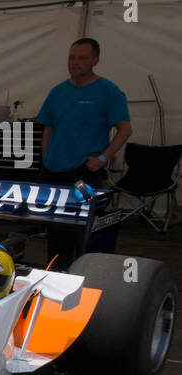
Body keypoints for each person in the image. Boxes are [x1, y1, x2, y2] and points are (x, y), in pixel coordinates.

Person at [35, 38, 131, 267]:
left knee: (86, 234)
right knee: (56, 233)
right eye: (72, 57)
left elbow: (125, 129)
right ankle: (56, 277)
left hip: (83, 174)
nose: (75, 63)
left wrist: (102, 159)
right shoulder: (57, 92)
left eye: (82, 58)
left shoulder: (109, 91)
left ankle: (85, 279)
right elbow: (47, 127)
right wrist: (46, 157)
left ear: (95, 61)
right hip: (53, 173)